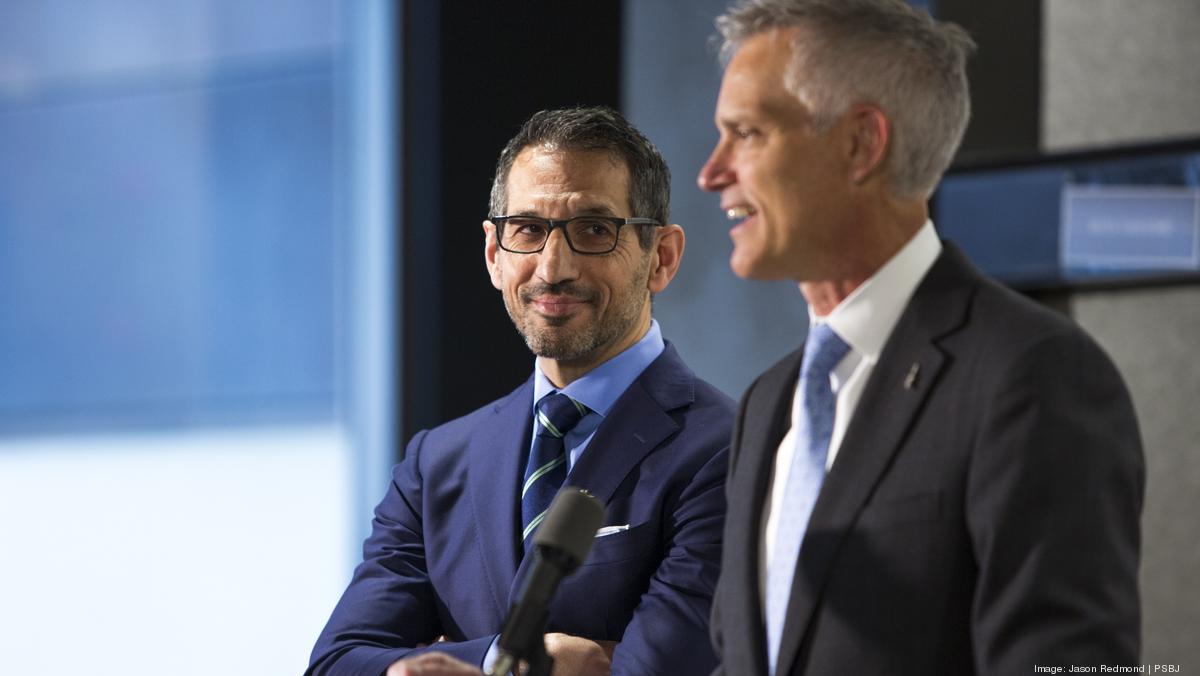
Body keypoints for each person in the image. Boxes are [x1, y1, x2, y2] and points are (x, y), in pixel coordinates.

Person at [696, 1, 1145, 674]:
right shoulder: (766, 405)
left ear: (860, 144)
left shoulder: (1034, 375)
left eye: (747, 133)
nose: (711, 172)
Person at [307, 106, 734, 676]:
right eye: (529, 230)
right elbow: (336, 662)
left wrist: (423, 661)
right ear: (493, 254)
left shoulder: (726, 449)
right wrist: (507, 662)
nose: (552, 268)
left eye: (593, 230)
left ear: (662, 258)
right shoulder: (436, 463)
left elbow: (656, 671)